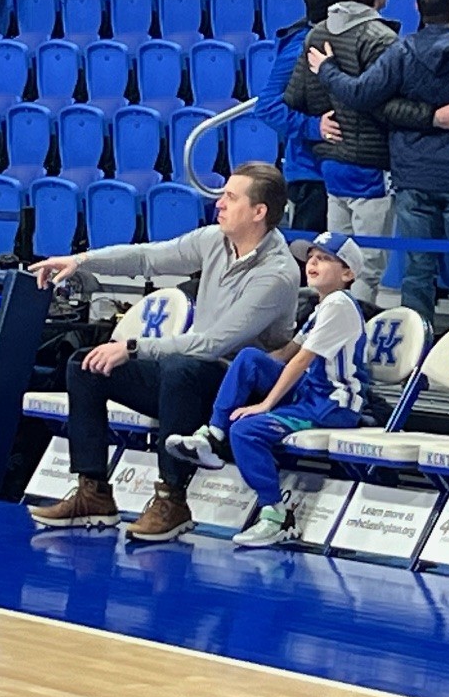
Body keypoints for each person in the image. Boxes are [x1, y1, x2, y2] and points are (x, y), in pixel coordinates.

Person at [27, 164, 302, 543]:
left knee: (180, 367)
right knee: (86, 365)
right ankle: (93, 493)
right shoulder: (214, 240)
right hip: (193, 378)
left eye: (230, 197)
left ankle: (172, 500)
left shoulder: (277, 274)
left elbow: (214, 345)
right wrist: (81, 261)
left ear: (259, 212)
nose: (218, 203)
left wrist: (133, 348)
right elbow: (147, 258)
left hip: (243, 391)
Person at [306, 0, 449, 324]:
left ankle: (416, 340)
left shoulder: (401, 52)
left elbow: (361, 94)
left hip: (414, 175)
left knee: (416, 266)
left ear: (417, 7)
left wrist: (328, 69)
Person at [166, 231, 369, 547]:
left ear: (348, 273)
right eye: (311, 257)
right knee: (249, 358)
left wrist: (266, 403)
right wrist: (239, 371)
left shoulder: (339, 305)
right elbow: (286, 353)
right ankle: (211, 435)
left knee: (247, 430)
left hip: (332, 405)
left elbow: (301, 361)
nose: (313, 263)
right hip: (310, 394)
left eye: (325, 259)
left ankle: (276, 515)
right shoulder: (323, 305)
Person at [284, 0, 433, 304]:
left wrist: (319, 123)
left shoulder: (315, 35)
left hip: (331, 163)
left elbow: (295, 96)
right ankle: (355, 329)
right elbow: (385, 104)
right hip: (370, 164)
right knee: (367, 262)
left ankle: (332, 326)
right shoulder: (381, 39)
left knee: (337, 257)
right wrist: (431, 116)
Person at [256, 0, 339, 231]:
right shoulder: (300, 47)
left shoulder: (333, 39)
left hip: (332, 171)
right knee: (310, 258)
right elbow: (267, 106)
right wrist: (315, 127)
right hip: (310, 174)